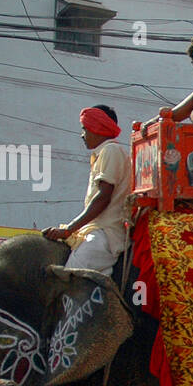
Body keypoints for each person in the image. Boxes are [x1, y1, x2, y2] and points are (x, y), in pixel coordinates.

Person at [42, 105, 130, 275]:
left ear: (98, 127)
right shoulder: (103, 153)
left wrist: (69, 229)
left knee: (70, 277)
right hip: (94, 230)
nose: (82, 135)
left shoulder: (110, 150)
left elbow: (103, 197)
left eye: (85, 129)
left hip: (106, 234)